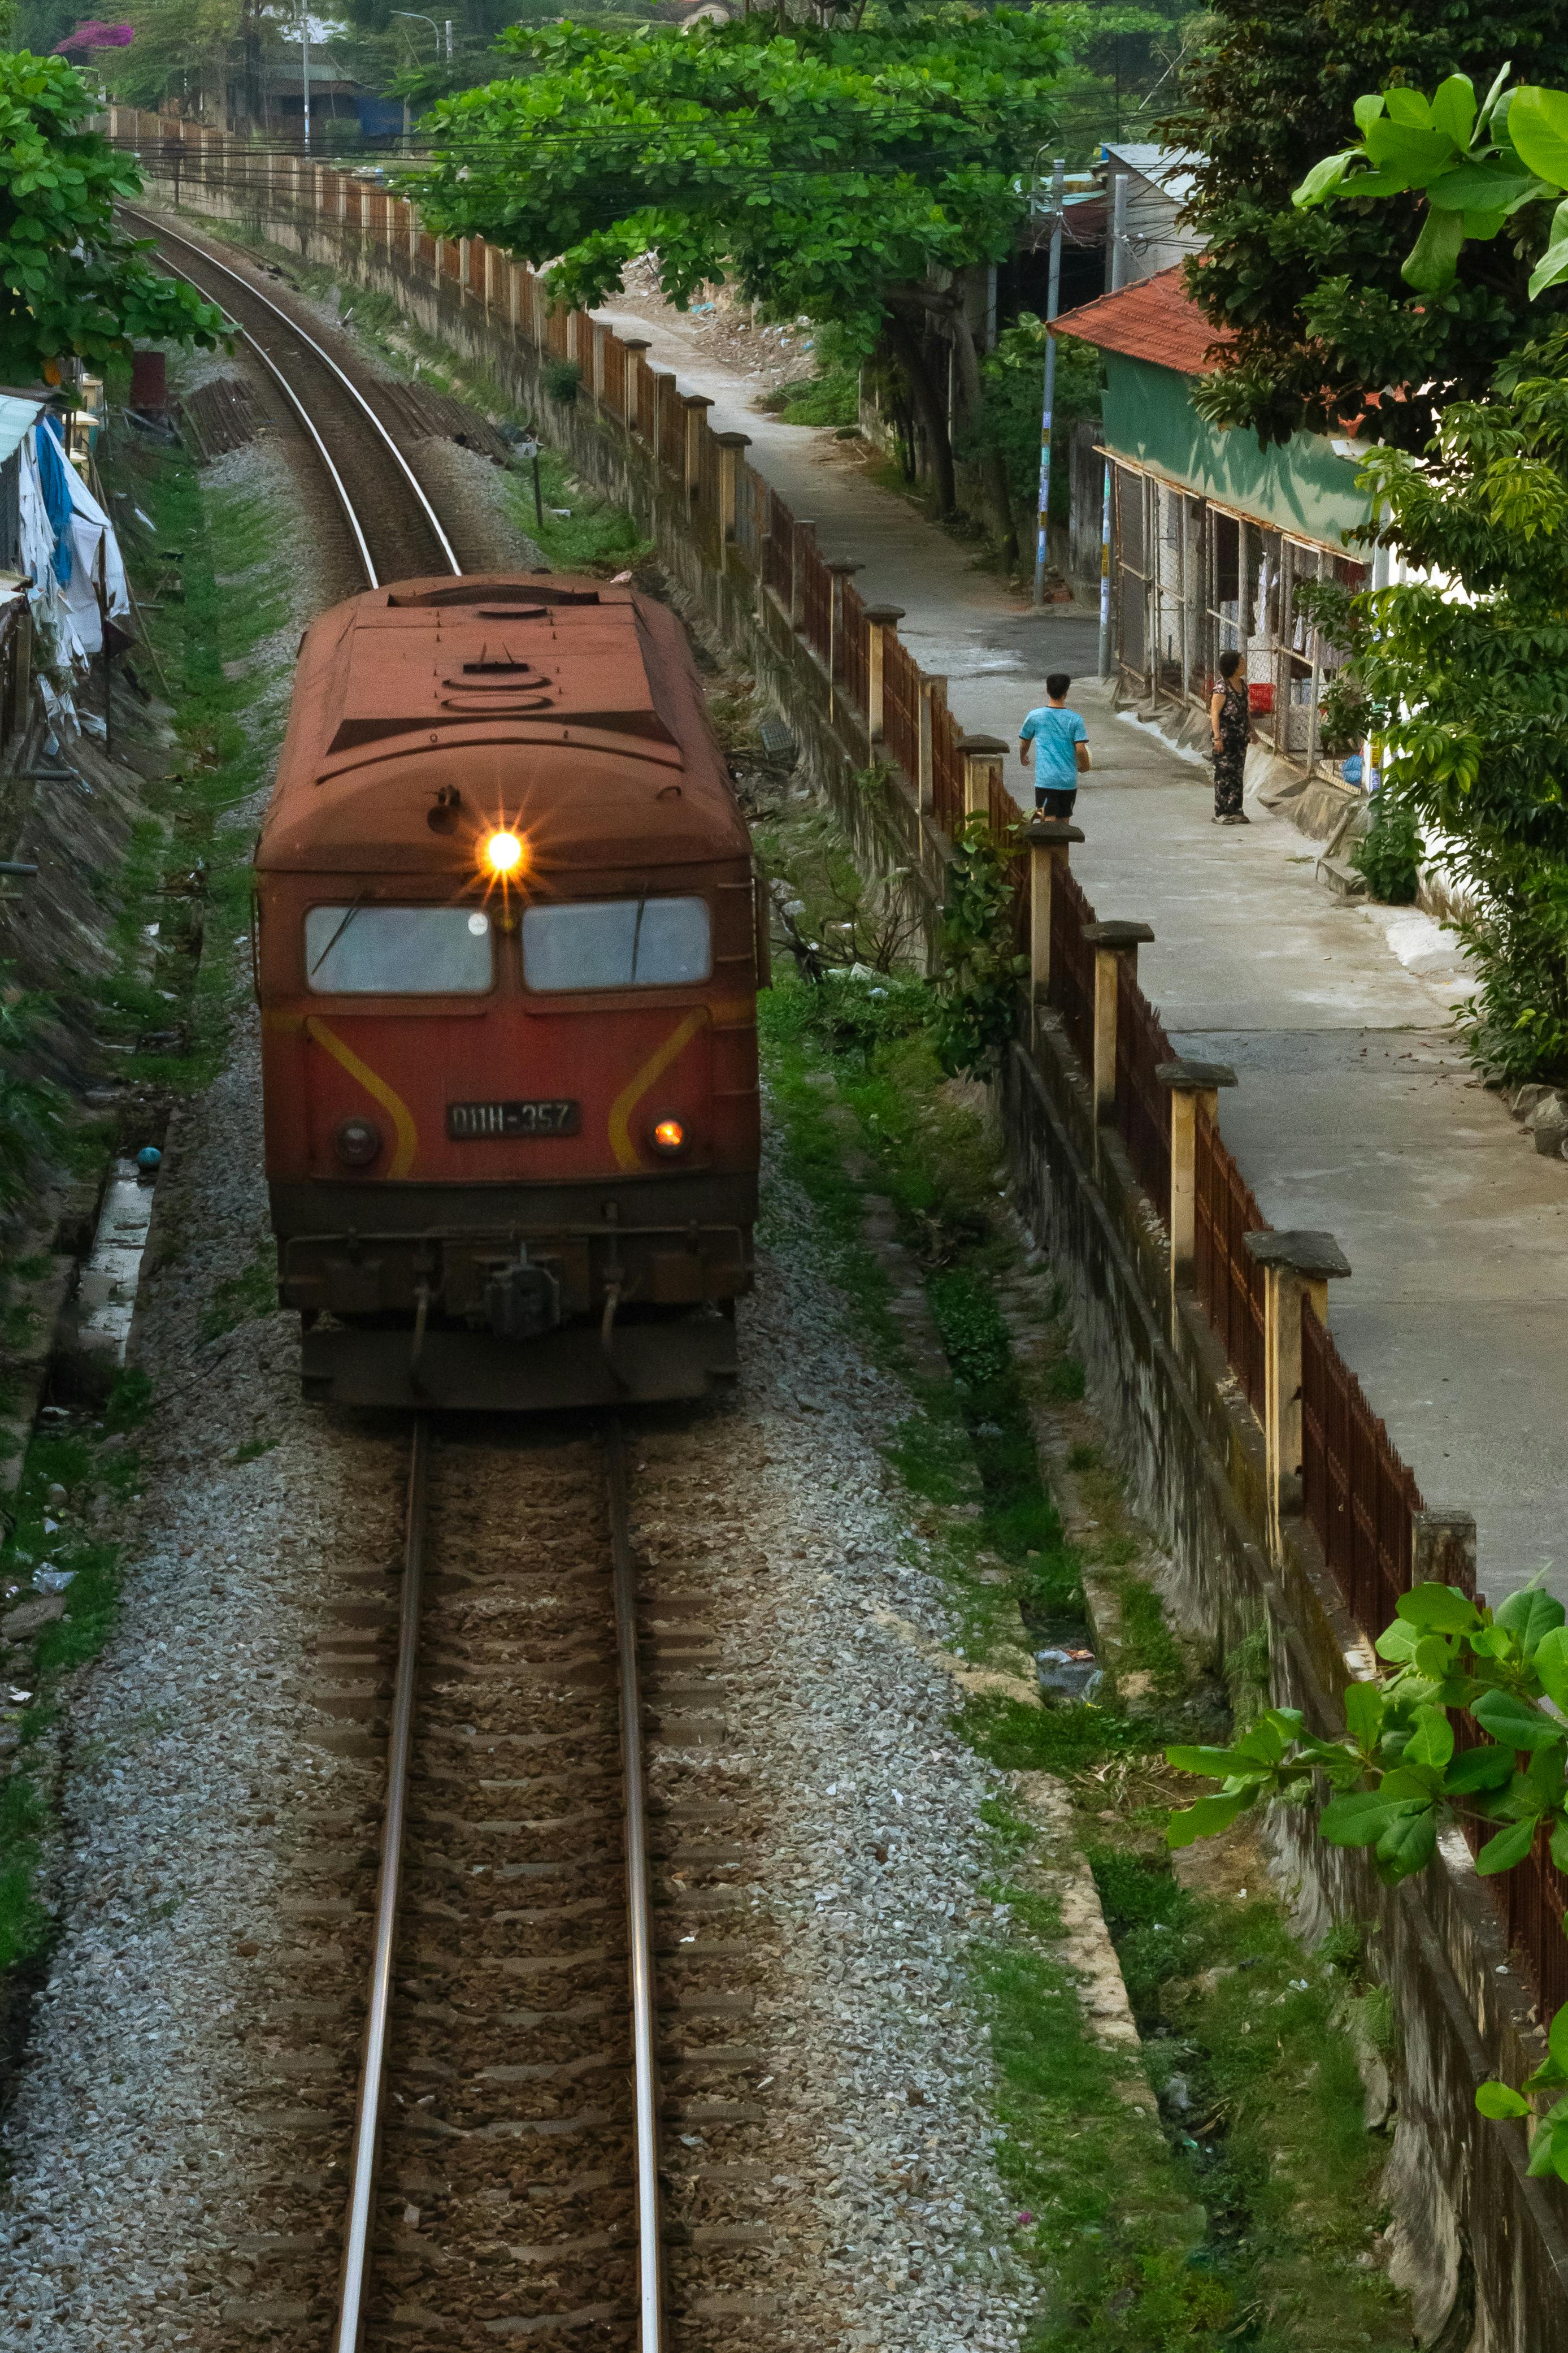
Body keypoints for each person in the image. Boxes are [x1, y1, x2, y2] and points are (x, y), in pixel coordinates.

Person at [1019, 673, 1091, 820]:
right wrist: (1085, 766)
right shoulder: (1075, 720)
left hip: (1046, 780)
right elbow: (1080, 750)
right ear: (1066, 693)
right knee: (1064, 824)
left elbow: (1025, 742)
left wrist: (1023, 756)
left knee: (1047, 822)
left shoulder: (1035, 716)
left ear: (1047, 691)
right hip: (1068, 781)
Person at [1209, 649, 1250, 825]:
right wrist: (1217, 738)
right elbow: (1215, 714)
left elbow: (1245, 711)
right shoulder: (1221, 688)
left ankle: (1236, 809)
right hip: (1225, 739)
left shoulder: (1243, 686)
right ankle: (1221, 812)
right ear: (1233, 667)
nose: (1244, 665)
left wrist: (1252, 732)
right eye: (1241, 663)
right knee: (1223, 774)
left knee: (1237, 774)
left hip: (1240, 738)